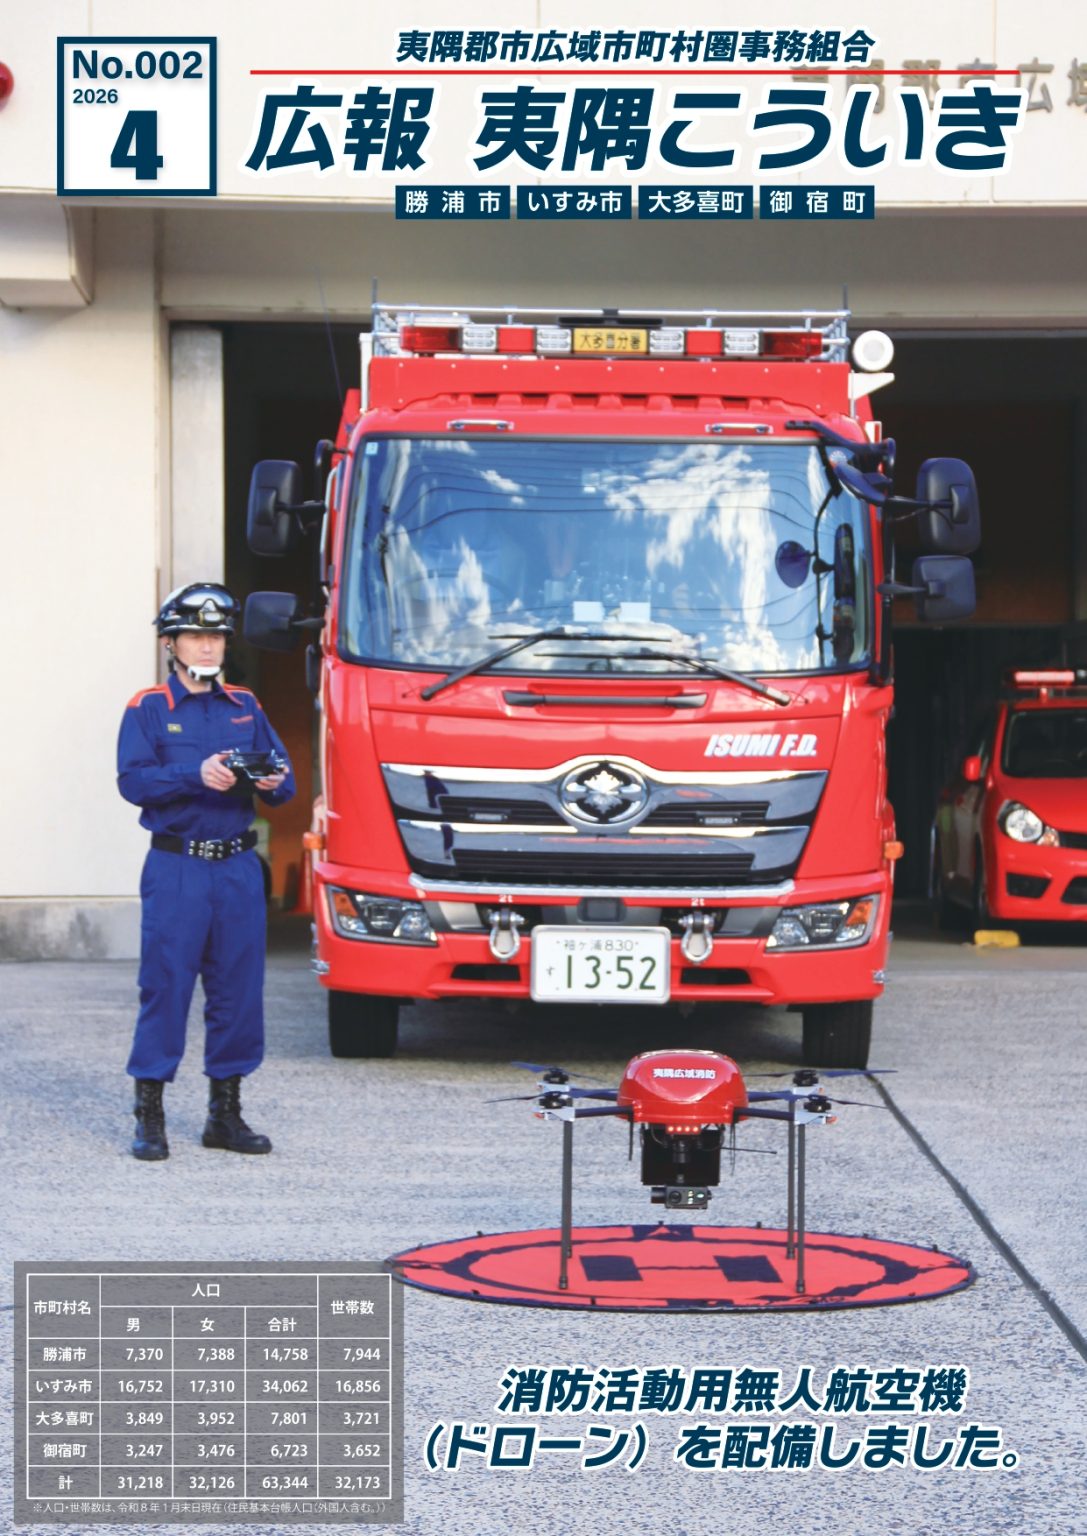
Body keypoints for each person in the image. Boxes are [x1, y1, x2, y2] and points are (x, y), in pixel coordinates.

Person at [117, 582, 295, 1161]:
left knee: (238, 990)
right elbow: (133, 782)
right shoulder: (148, 707)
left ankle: (225, 1114)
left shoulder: (246, 705)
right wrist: (197, 774)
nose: (207, 646)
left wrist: (271, 781)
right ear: (171, 642)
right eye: (195, 635)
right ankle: (150, 1114)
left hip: (238, 867)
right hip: (178, 868)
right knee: (165, 985)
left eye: (216, 635)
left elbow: (286, 782)